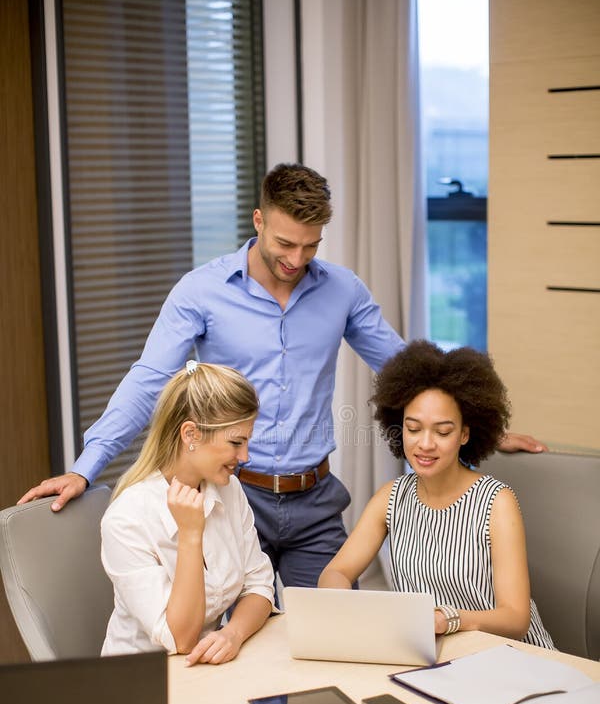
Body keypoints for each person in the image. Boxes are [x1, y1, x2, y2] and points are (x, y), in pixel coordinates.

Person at [19, 163, 547, 590]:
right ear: (258, 220)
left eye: (311, 246)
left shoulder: (342, 291)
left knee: (336, 638)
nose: (296, 259)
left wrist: (479, 425)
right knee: (234, 645)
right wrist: (86, 468)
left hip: (314, 500)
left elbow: (404, 368)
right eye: (285, 244)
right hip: (230, 494)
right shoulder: (200, 292)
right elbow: (149, 380)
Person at [318, 340, 554, 649]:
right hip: (436, 657)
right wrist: (345, 602)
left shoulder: (497, 502)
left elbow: (515, 618)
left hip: (513, 659)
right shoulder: (392, 497)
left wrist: (448, 620)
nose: (425, 444)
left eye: (442, 432)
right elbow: (336, 571)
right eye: (413, 429)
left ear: (465, 434)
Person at [101, 361, 275, 665]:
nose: (245, 457)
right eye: (236, 442)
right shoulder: (126, 519)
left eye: (246, 442)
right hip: (142, 680)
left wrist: (232, 634)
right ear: (191, 434)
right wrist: (190, 534)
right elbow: (180, 638)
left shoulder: (228, 489)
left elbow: (259, 585)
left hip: (203, 670)